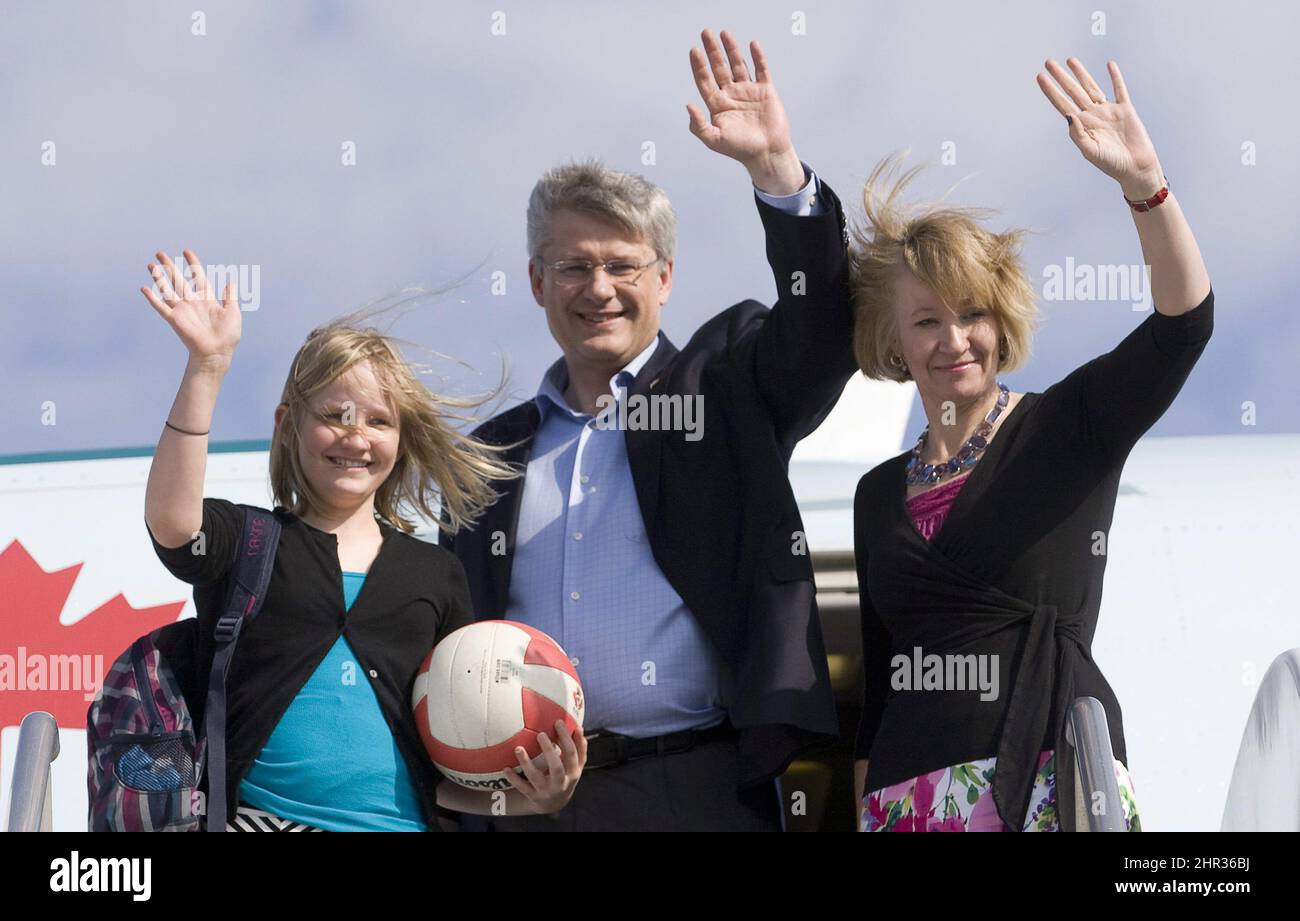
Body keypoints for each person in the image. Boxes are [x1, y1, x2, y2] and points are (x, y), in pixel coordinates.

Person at [443, 29, 858, 831]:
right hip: (528, 802)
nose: (598, 287)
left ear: (664, 278)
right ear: (536, 282)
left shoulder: (724, 385)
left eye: (623, 264)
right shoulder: (486, 457)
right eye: (573, 266)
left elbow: (819, 332)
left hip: (697, 787)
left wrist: (776, 173)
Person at [850, 58, 1213, 831]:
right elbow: (879, 686)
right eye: (926, 320)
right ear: (893, 339)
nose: (955, 340)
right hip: (906, 801)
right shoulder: (876, 493)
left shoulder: (1068, 426)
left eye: (973, 312)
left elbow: (1184, 326)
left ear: (1002, 319)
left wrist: (1144, 184)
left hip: (1054, 777)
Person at [139, 251, 586, 831]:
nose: (356, 436)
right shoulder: (247, 541)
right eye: (336, 415)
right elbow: (174, 526)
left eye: (379, 420)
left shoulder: (435, 574)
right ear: (287, 425)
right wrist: (207, 366)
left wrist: (533, 798)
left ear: (402, 439)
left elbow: (445, 779)